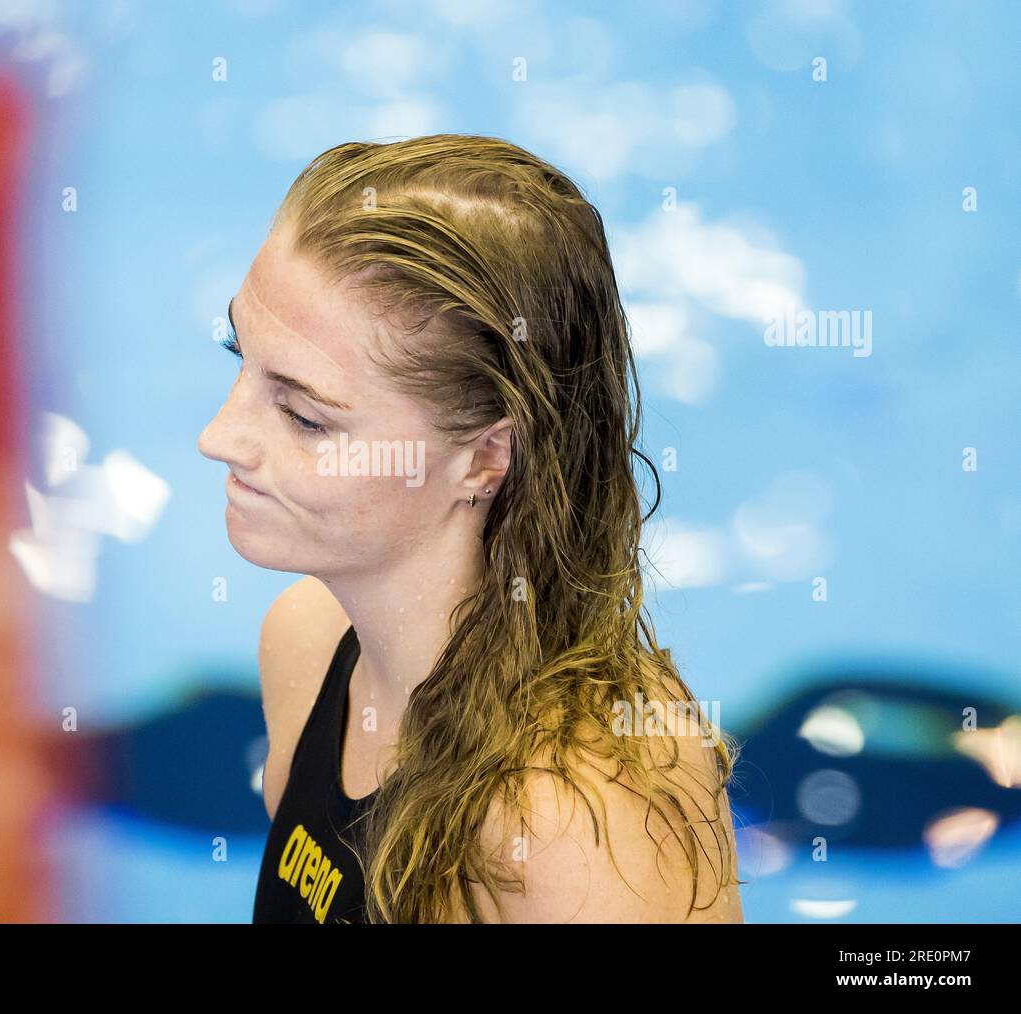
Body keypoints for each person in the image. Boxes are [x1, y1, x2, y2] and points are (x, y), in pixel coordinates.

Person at [197, 133, 745, 924]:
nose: (219, 435)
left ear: (485, 456)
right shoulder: (310, 646)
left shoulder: (580, 819)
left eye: (305, 416)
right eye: (237, 353)